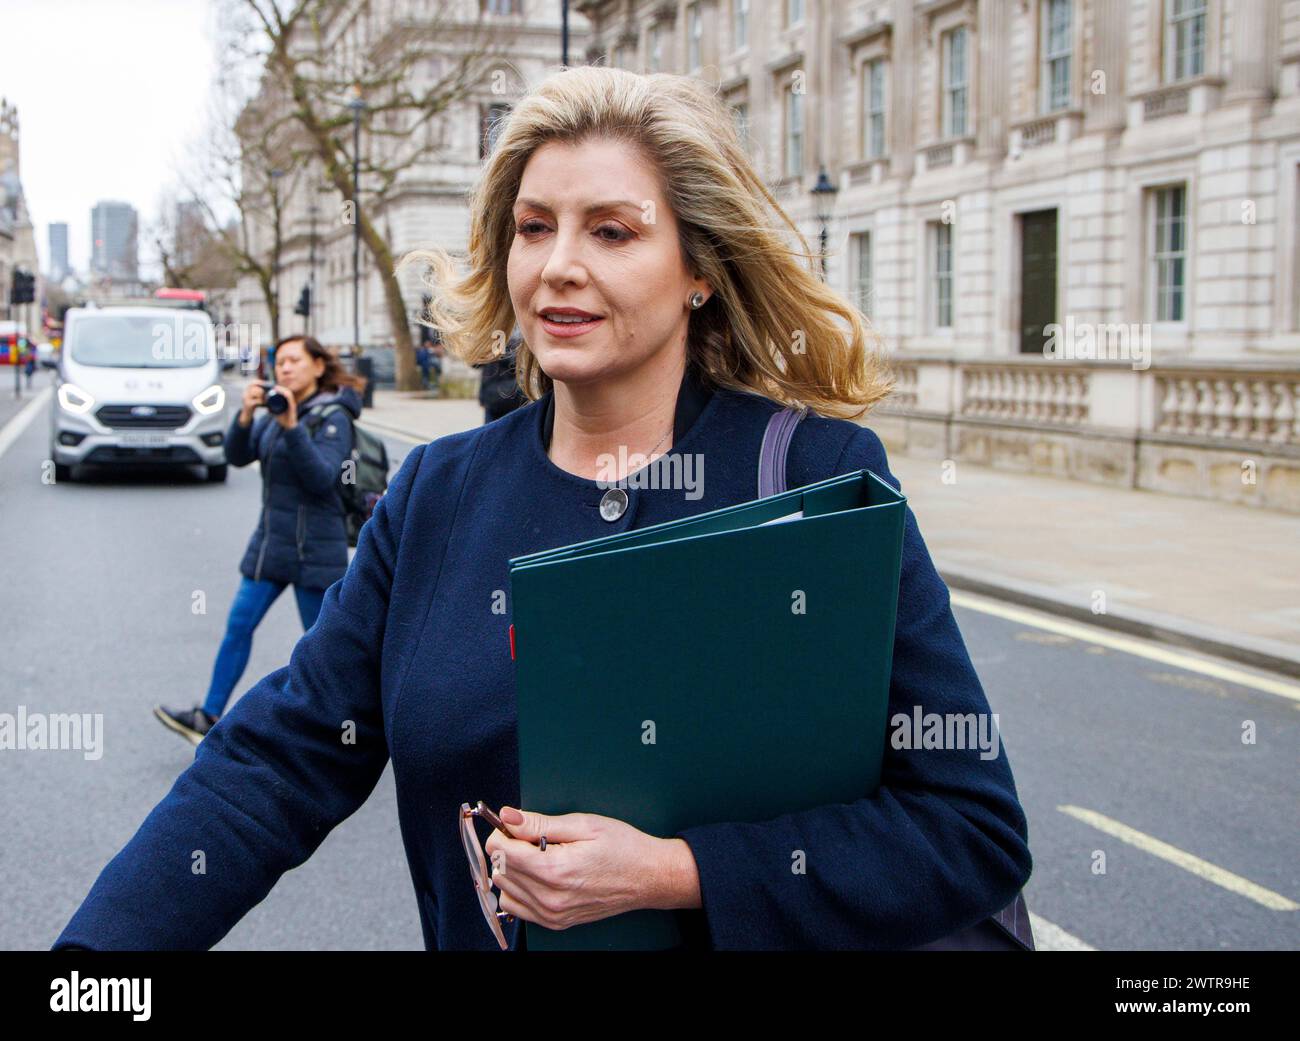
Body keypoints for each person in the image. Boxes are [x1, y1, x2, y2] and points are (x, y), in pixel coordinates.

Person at [56, 66, 1031, 951]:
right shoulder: (436, 495)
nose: (557, 263)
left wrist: (678, 873)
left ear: (698, 267)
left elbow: (966, 827)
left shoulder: (818, 479)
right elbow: (277, 760)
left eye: (611, 230)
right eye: (533, 227)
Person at [152, 335, 365, 745]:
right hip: (270, 545)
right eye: (279, 361)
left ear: (318, 366)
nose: (284, 368)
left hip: (314, 550)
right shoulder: (276, 409)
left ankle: (352, 728)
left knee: (323, 647)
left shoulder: (333, 417)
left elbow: (323, 478)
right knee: (238, 626)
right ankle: (209, 715)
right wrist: (247, 415)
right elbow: (236, 456)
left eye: (294, 360)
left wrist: (292, 430)